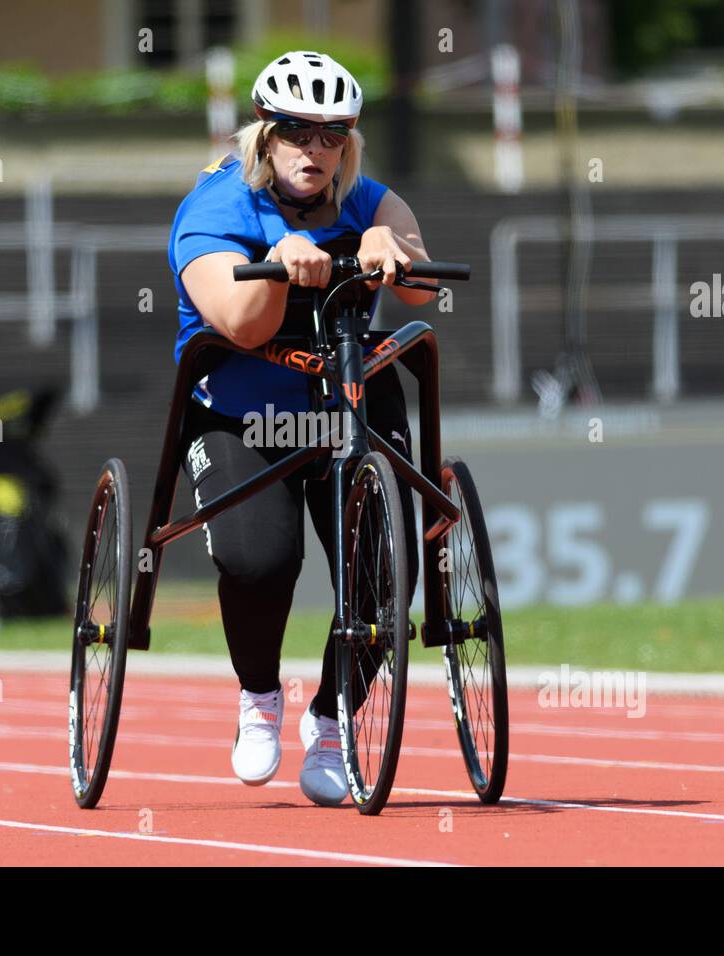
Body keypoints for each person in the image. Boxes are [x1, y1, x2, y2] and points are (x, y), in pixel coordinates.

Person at [167, 51, 438, 806]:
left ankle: (332, 719)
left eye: (331, 135)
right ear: (264, 134)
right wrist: (285, 263)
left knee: (389, 574)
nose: (313, 151)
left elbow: (418, 287)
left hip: (347, 401)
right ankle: (259, 697)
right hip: (243, 412)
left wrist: (390, 250)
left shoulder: (369, 197)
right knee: (261, 564)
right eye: (295, 133)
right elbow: (241, 325)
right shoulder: (216, 211)